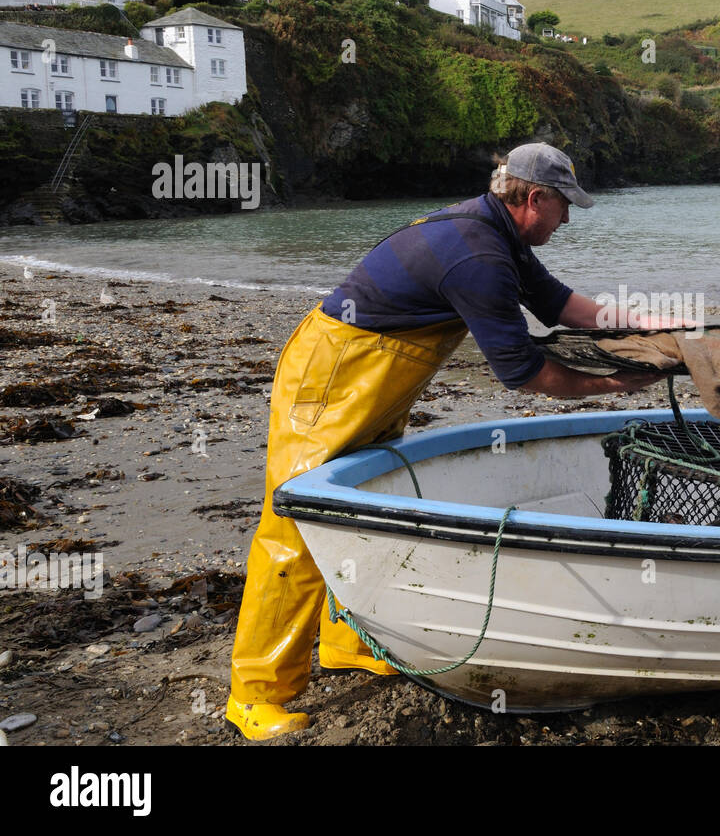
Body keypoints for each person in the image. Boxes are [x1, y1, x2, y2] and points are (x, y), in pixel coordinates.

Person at [225, 143, 666, 740]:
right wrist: (614, 384)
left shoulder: (498, 233)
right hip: (331, 380)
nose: (568, 219)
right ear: (533, 198)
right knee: (296, 528)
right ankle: (255, 693)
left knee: (355, 508)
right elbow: (525, 373)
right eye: (564, 206)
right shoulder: (477, 256)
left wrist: (644, 326)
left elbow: (558, 303)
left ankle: (343, 643)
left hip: (375, 380)